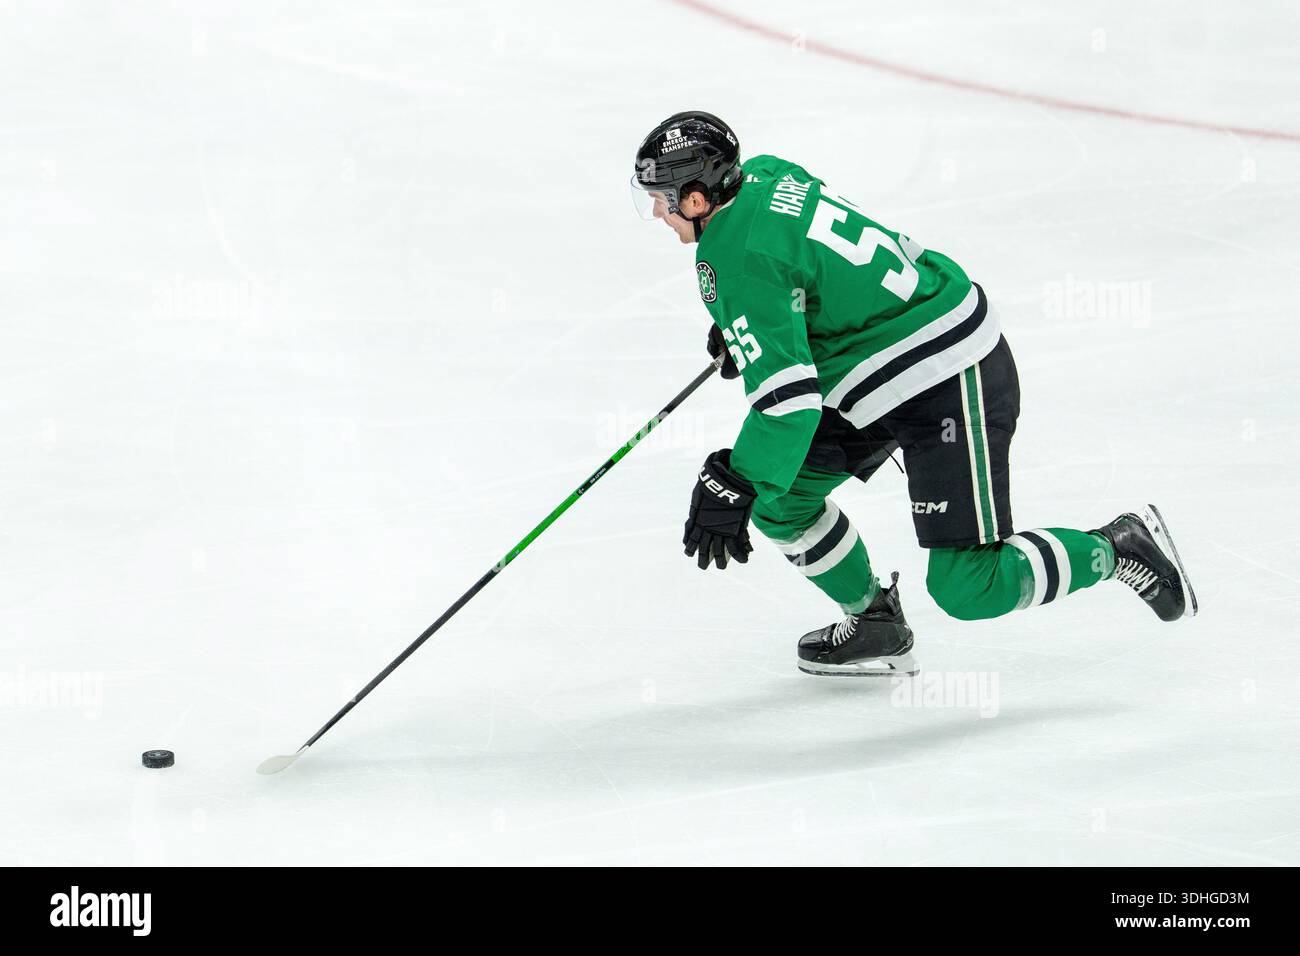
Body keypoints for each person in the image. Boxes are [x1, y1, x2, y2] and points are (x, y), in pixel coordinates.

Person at [630, 111, 1197, 677]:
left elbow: (790, 405)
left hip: (947, 372)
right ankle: (875, 621)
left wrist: (737, 477)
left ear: (700, 198)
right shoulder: (766, 172)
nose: (658, 210)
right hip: (874, 368)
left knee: (968, 587)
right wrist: (765, 319)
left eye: (664, 196)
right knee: (781, 502)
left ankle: (1116, 548)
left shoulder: (736, 260)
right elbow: (809, 263)